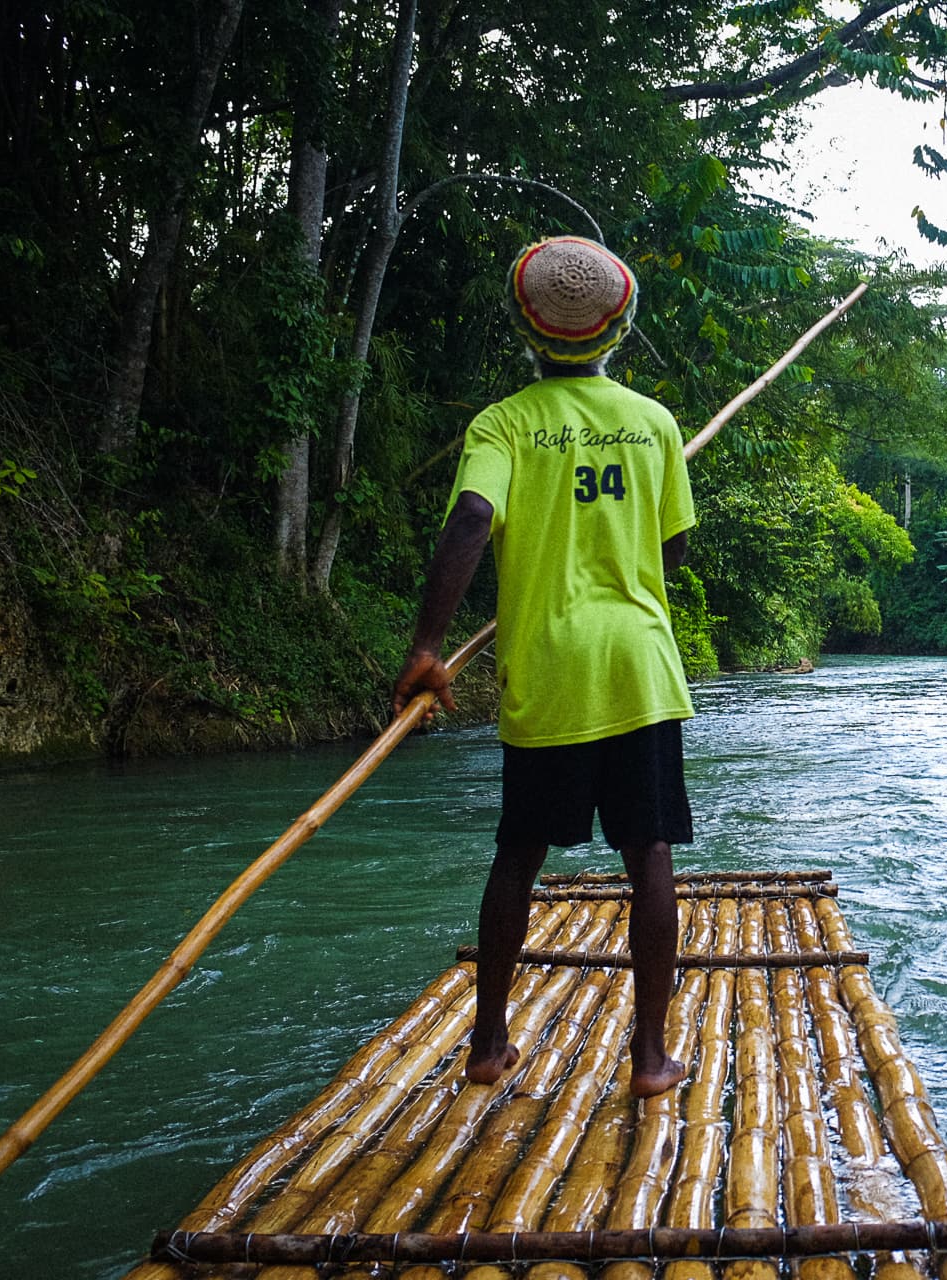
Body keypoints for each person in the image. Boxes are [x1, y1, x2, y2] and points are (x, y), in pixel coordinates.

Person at [391, 235, 696, 1099]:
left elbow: (471, 520)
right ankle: (648, 1059)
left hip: (550, 666)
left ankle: (488, 1045)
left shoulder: (504, 424)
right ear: (619, 327)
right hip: (638, 666)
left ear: (527, 328)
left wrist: (426, 649)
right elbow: (668, 556)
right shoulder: (655, 425)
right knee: (651, 859)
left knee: (517, 856)